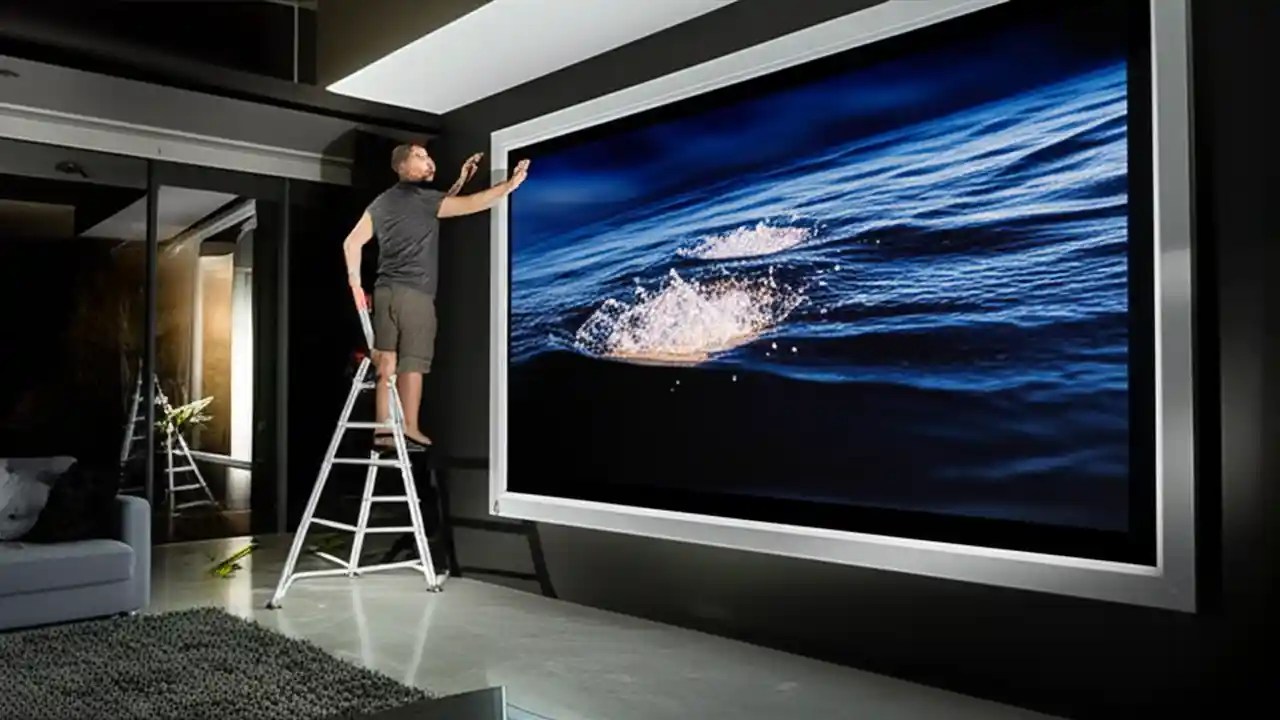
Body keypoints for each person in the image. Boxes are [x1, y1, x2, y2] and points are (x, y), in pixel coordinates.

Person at [343, 143, 530, 450]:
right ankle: (409, 427)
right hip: (414, 294)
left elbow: (351, 244)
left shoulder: (382, 202)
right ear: (401, 166)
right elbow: (470, 205)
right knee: (413, 361)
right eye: (420, 157)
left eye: (429, 157)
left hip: (384, 292)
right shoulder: (423, 200)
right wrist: (510, 185)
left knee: (386, 361)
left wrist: (356, 287)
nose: (429, 162)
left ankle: (383, 431)